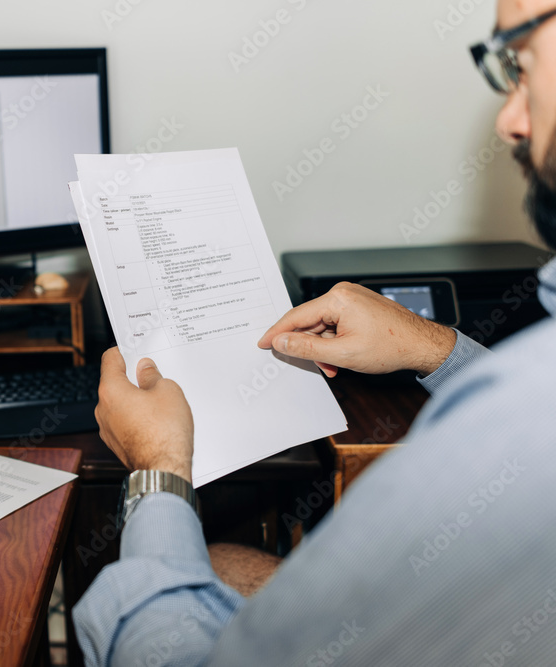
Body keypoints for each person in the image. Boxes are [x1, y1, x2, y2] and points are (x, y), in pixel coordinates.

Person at [72, 1, 556, 664]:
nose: (510, 118)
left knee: (153, 574)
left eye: (522, 60)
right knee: (218, 560)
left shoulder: (519, 423)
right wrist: (433, 344)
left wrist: (159, 469)